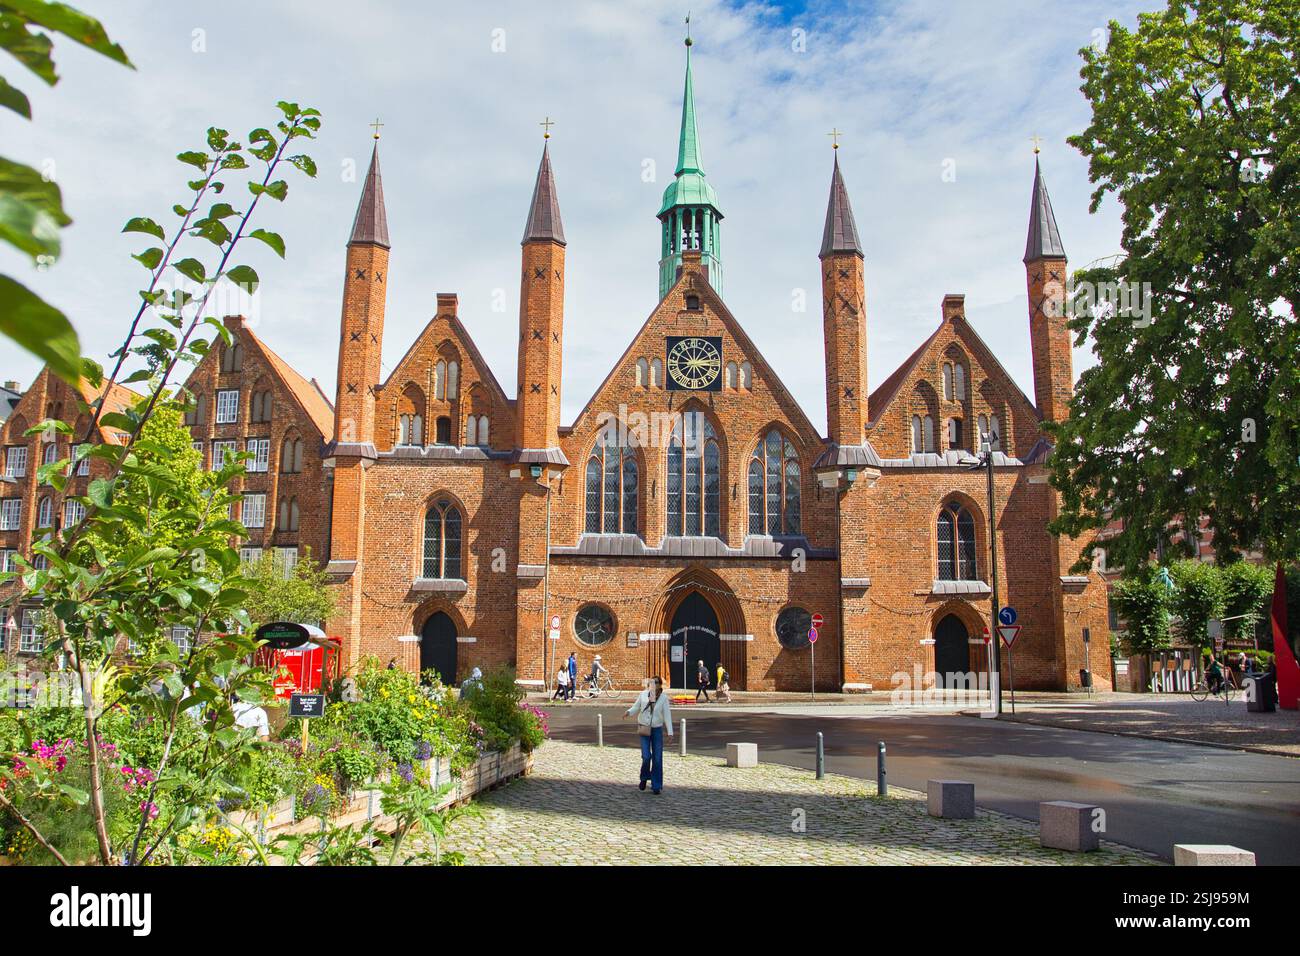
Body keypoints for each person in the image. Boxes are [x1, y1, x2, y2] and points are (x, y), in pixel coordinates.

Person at [625, 675, 673, 794]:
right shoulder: (643, 695)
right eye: (652, 682)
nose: (654, 684)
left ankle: (656, 785)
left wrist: (670, 732)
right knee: (646, 756)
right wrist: (628, 712)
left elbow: (667, 715)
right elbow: (636, 707)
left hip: (656, 729)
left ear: (660, 685)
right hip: (644, 728)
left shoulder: (663, 698)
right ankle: (644, 777)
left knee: (657, 758)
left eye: (656, 682)